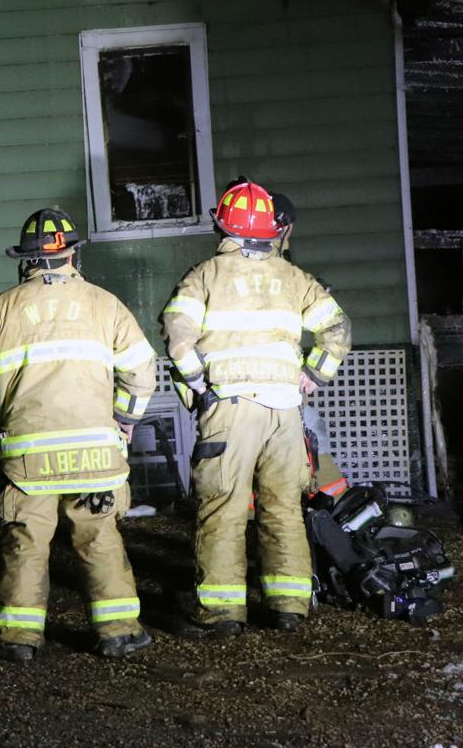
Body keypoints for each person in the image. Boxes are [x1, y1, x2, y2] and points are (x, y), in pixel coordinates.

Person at [0, 208, 157, 661]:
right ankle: (118, 632)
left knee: (25, 541)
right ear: (72, 254)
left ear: (25, 260)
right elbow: (143, 374)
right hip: (96, 456)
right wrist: (123, 423)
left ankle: (18, 639)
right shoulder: (107, 305)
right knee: (99, 536)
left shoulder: (0, 309)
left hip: (28, 460)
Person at [161, 180, 352, 635]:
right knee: (283, 506)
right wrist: (313, 375)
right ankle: (289, 606)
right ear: (271, 230)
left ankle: (223, 614)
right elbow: (338, 329)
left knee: (224, 508)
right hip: (285, 412)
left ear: (222, 226)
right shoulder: (294, 278)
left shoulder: (204, 275)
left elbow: (177, 334)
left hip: (230, 408)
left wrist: (197, 383)